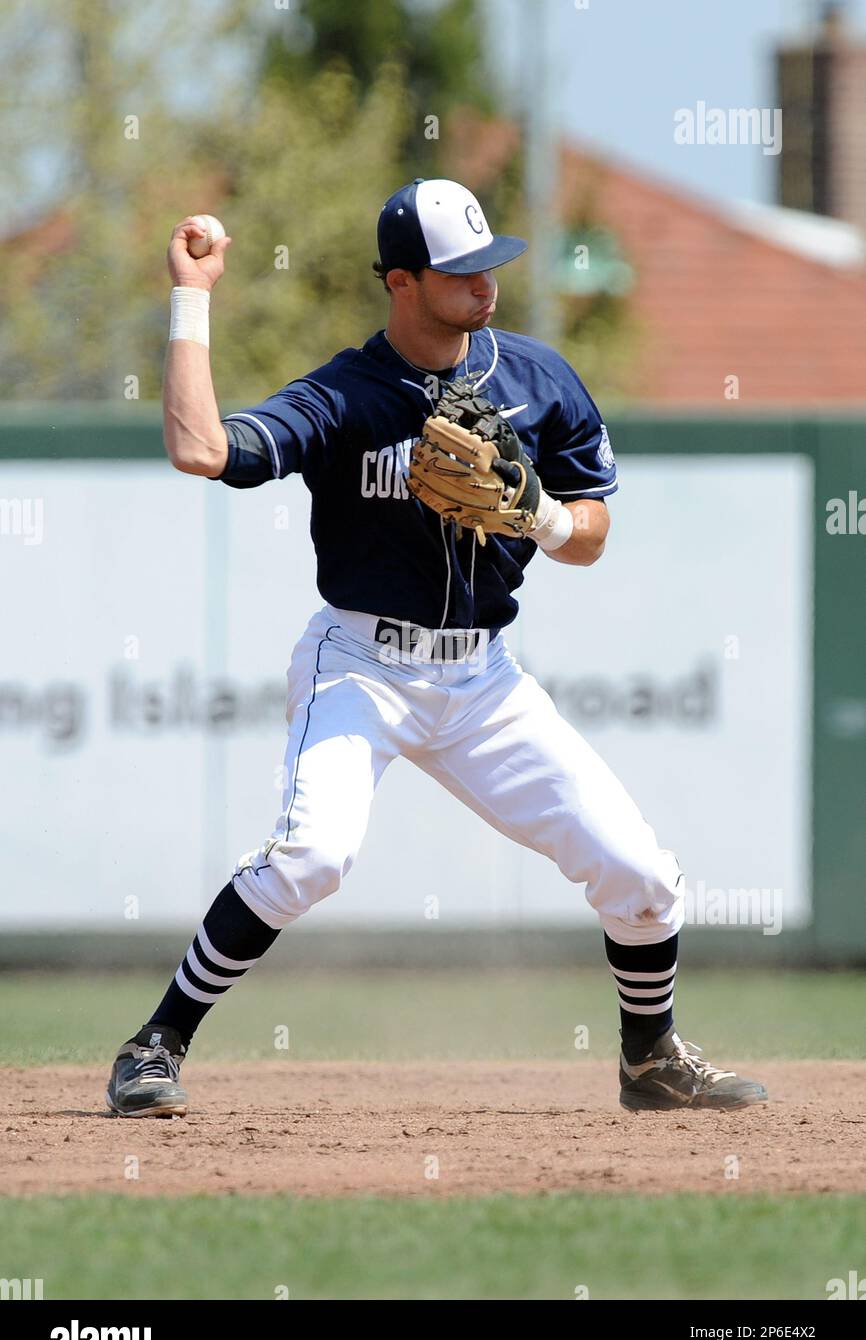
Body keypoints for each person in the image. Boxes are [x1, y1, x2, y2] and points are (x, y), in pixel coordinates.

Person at [106, 178, 767, 1118]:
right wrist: (191, 295)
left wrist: (540, 515)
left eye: (489, 265)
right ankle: (156, 1042)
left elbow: (593, 532)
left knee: (643, 875)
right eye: (460, 273)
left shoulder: (539, 378)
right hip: (362, 666)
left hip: (483, 679)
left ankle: (649, 1059)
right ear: (402, 283)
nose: (485, 285)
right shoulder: (343, 395)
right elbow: (201, 450)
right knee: (311, 859)